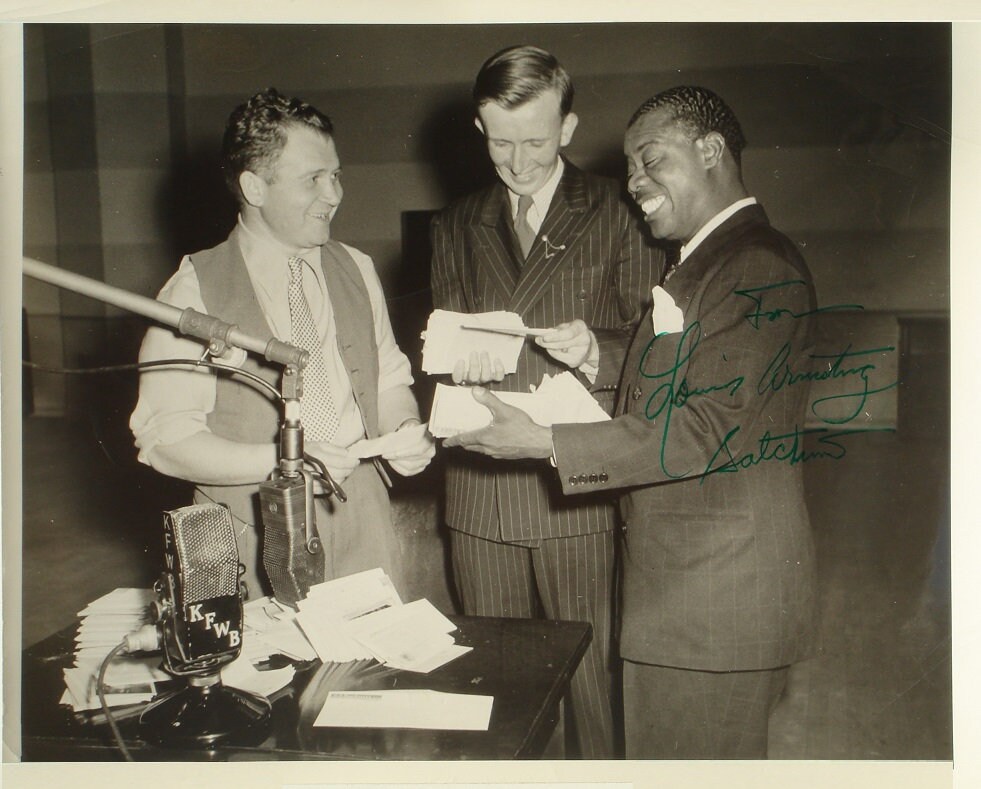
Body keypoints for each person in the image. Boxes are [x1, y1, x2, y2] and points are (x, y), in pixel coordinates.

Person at [445, 86, 819, 759]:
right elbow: (686, 375)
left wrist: (543, 442)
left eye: (651, 160)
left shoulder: (755, 264)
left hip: (716, 604)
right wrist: (596, 350)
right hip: (685, 598)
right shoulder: (710, 259)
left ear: (710, 150)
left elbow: (706, 427)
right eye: (629, 167)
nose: (635, 182)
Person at [430, 45, 664, 758]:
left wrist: (594, 347)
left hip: (577, 490)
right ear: (479, 128)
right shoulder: (454, 223)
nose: (518, 161)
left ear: (567, 127)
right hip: (479, 493)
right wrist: (452, 363)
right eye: (500, 142)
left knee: (593, 684)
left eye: (535, 141)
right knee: (496, 689)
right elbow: (439, 346)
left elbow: (655, 353)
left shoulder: (620, 212)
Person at [131, 88, 435, 600]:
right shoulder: (192, 291)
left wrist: (404, 428)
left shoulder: (357, 268)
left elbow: (387, 377)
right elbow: (165, 442)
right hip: (249, 529)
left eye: (335, 175)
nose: (333, 194)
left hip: (362, 519)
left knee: (370, 652)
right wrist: (285, 461)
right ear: (254, 187)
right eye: (312, 179)